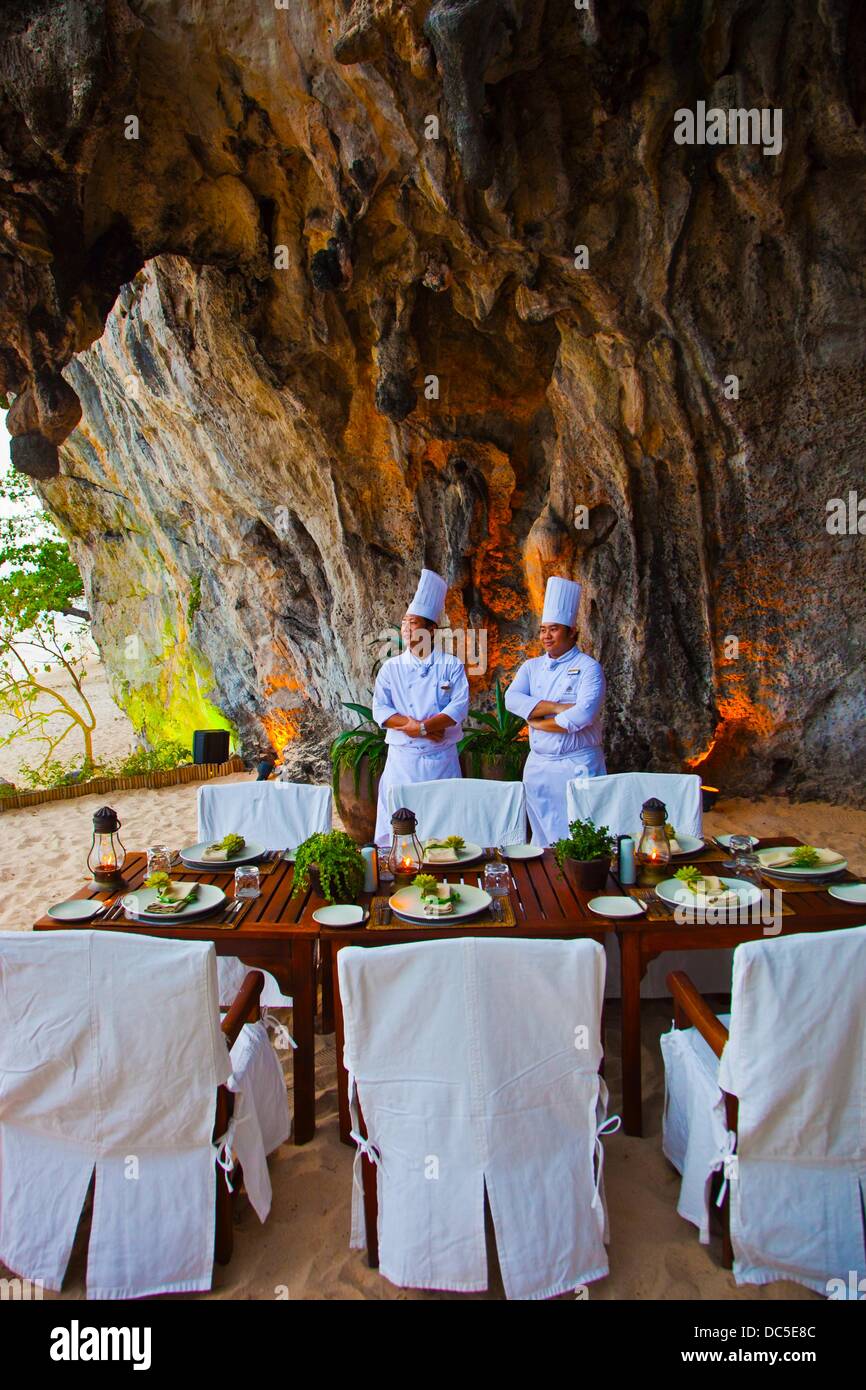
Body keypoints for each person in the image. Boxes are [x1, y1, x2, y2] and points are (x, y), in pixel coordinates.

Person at [504, 576, 606, 845]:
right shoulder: (531, 667)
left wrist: (536, 721)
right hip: (538, 765)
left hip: (578, 764)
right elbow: (511, 700)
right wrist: (557, 708)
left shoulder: (589, 668)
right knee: (541, 834)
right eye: (543, 629)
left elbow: (583, 715)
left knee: (583, 832)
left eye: (554, 629)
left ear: (572, 632)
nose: (546, 636)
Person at [372, 568, 470, 845]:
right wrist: (415, 728)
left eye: (413, 623)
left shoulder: (450, 664)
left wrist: (425, 727)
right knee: (398, 829)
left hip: (442, 760)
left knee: (445, 827)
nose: (405, 628)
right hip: (403, 761)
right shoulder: (391, 668)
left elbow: (458, 708)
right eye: (403, 622)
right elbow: (380, 709)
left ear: (431, 630)